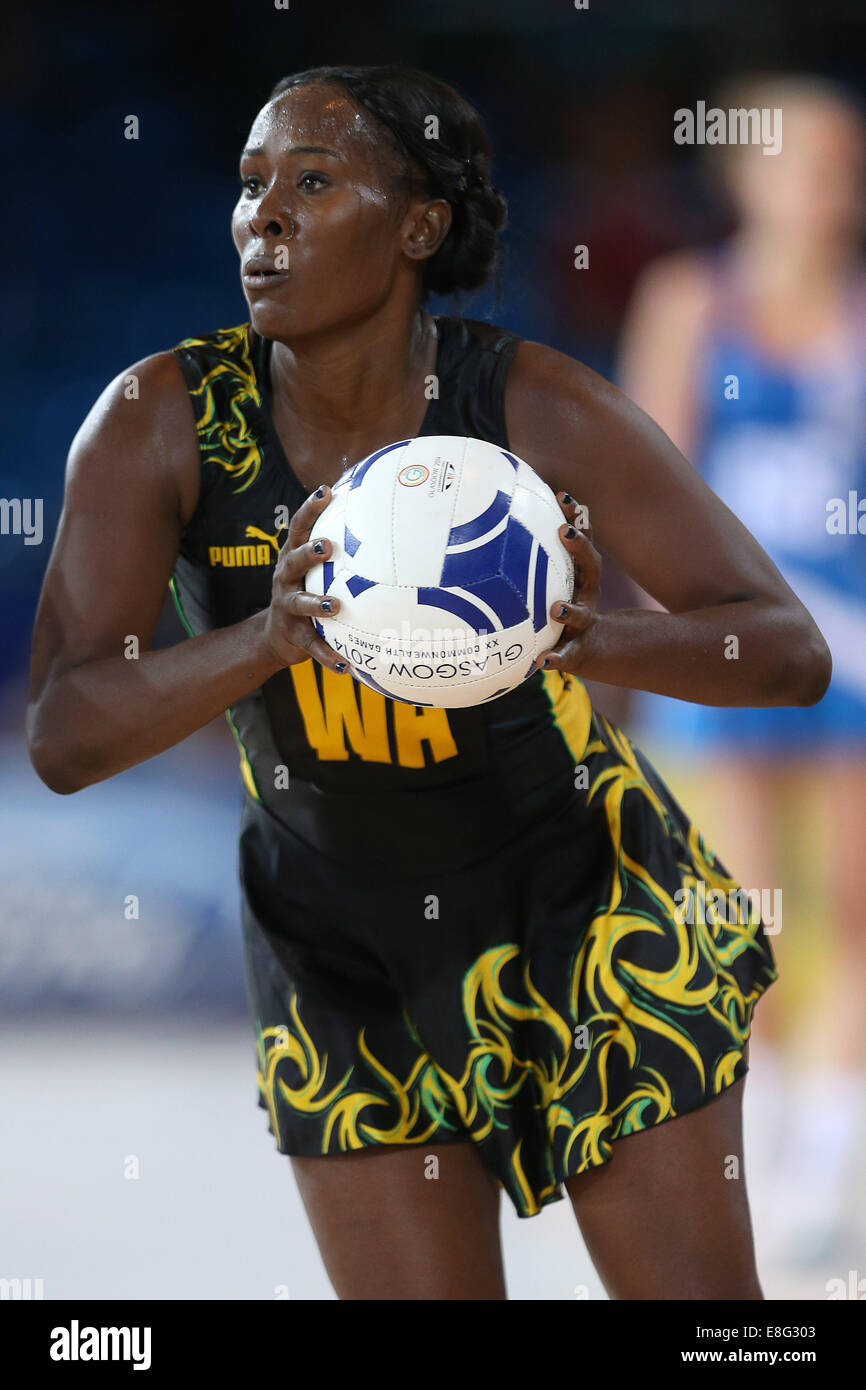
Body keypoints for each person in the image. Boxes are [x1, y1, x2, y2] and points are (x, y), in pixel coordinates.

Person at [27, 64, 830, 1300]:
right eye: (249, 186)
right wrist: (264, 640)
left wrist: (583, 634)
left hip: (590, 911)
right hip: (338, 954)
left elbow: (783, 649)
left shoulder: (531, 405)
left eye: (310, 181)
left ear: (417, 227)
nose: (263, 217)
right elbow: (63, 736)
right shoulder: (160, 421)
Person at [618, 73, 866, 1258]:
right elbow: (645, 474)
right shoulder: (690, 300)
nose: (823, 188)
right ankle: (753, 1140)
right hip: (733, 635)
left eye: (840, 166)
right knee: (743, 913)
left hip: (853, 646)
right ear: (746, 176)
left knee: (856, 902)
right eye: (800, 163)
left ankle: (827, 1147)